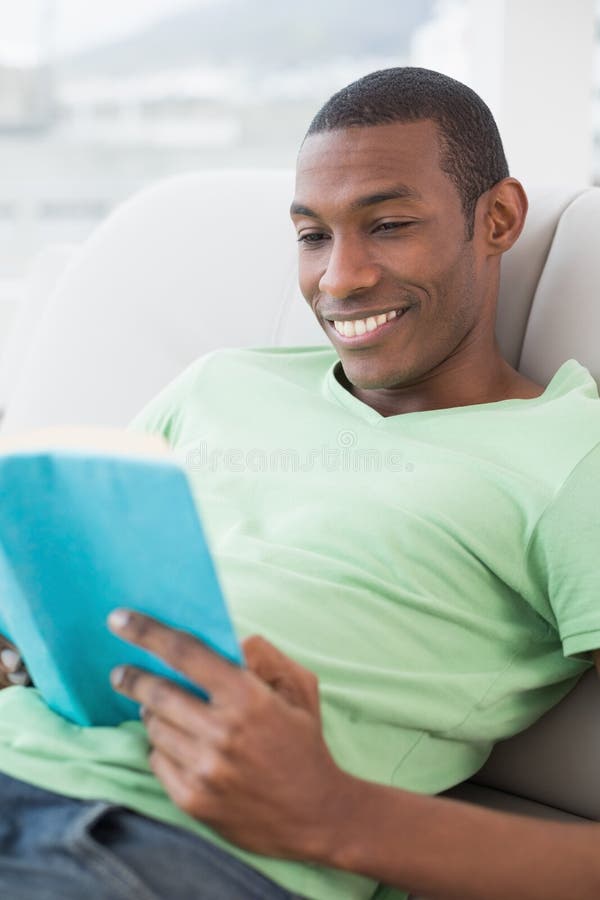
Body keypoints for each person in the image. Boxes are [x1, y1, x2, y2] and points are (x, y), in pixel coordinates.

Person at [1, 66, 600, 900]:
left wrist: (336, 815)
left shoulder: (572, 458)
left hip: (130, 844)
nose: (340, 278)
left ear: (496, 219)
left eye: (387, 225)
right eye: (313, 236)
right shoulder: (218, 383)